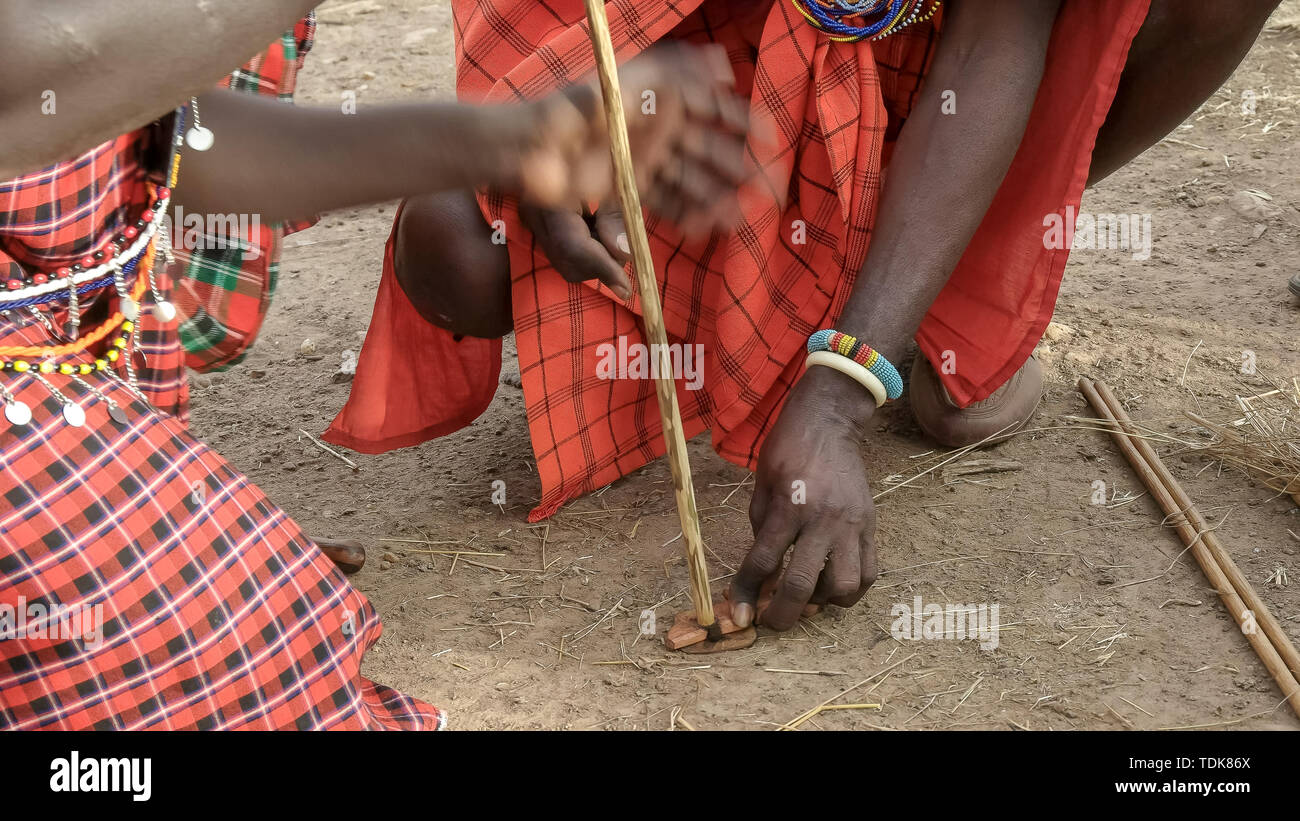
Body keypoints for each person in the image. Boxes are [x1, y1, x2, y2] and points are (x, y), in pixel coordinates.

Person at [327, 0, 1285, 631]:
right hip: (705, 61)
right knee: (463, 248)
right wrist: (588, 99)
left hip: (916, 83)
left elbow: (1000, 36)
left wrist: (839, 395)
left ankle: (955, 284)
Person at [0, 2, 747, 728]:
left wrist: (511, 139)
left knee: (264, 635)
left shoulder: (103, 81)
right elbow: (40, 63)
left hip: (56, 390)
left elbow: (177, 143)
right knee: (228, 666)